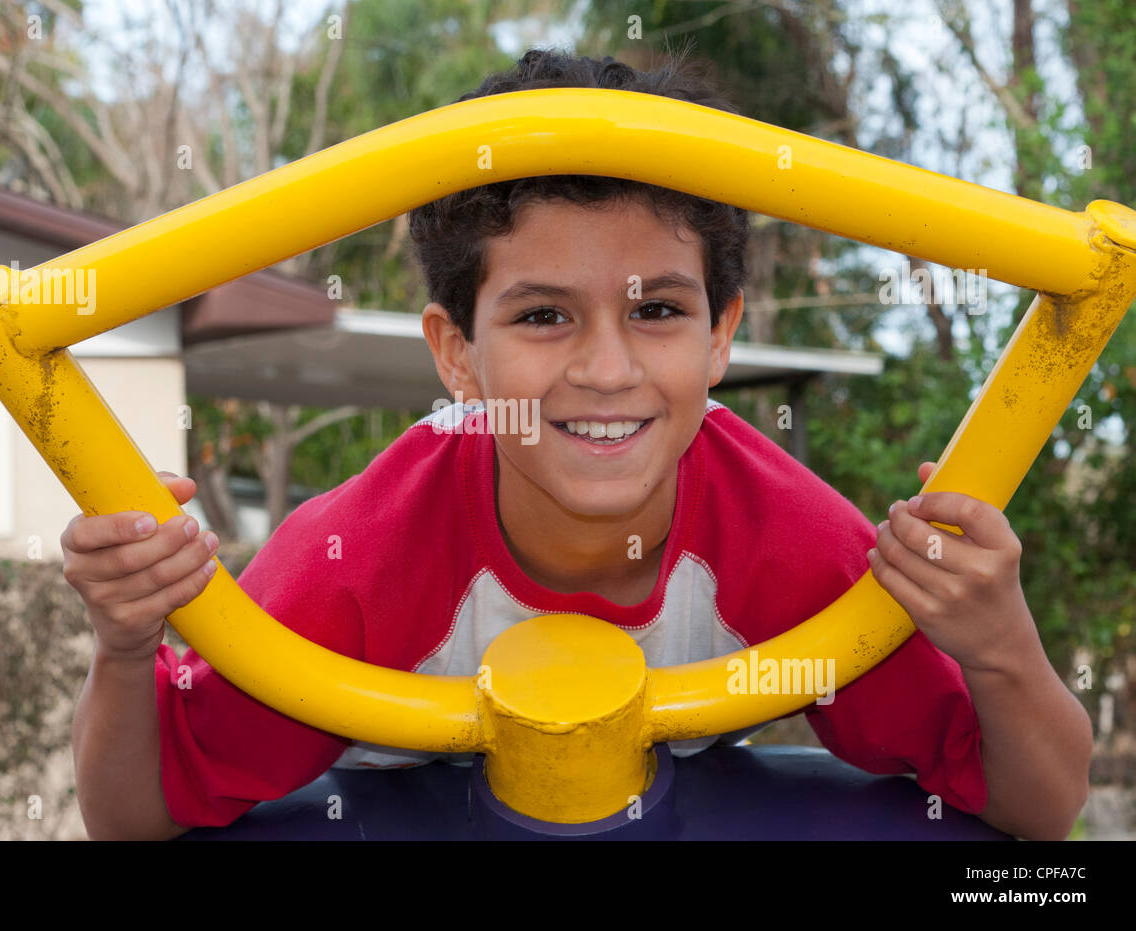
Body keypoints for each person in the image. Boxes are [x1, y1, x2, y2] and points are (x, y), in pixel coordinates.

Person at [66, 48, 1092, 841]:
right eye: (544, 317)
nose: (606, 370)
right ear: (456, 354)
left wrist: (1000, 646)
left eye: (656, 310)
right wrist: (123, 644)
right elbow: (139, 816)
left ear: (721, 333)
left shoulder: (791, 543)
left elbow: (1030, 812)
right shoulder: (359, 561)